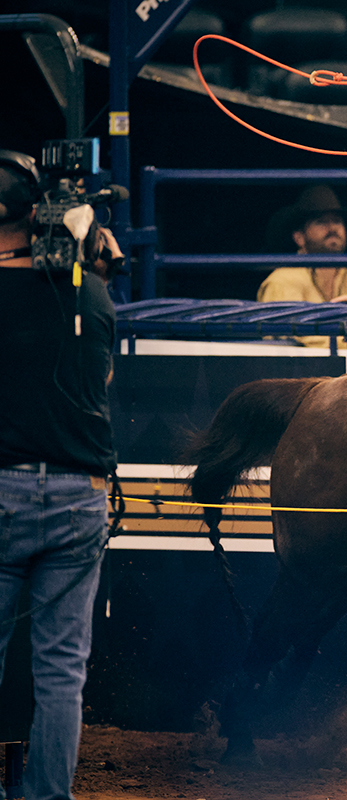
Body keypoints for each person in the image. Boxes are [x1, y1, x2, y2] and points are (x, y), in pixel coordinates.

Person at [0, 149, 121, 800]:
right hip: (78, 496)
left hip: (3, 489)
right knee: (60, 671)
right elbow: (98, 380)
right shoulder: (91, 295)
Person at [256, 184, 347, 305]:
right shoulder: (282, 282)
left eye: (337, 221)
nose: (332, 228)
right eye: (321, 222)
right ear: (299, 238)